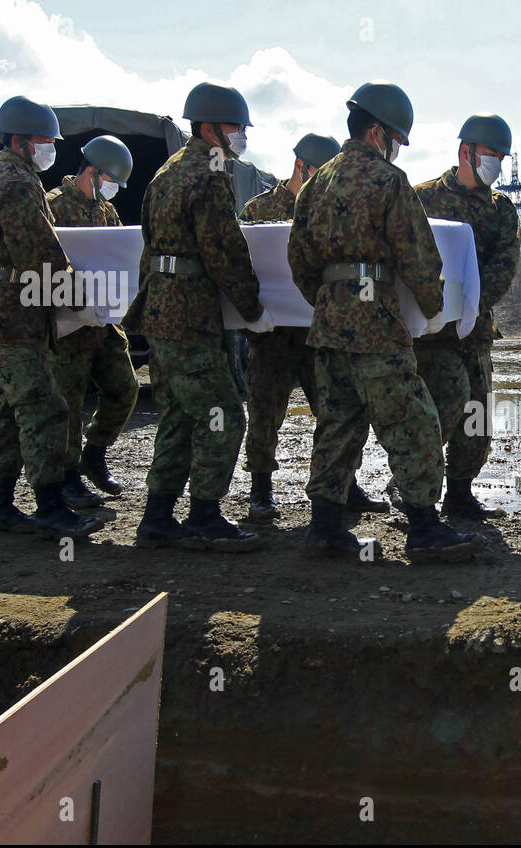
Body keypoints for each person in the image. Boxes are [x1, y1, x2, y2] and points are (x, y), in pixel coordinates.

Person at [288, 80, 487, 562]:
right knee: (414, 419)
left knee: (338, 421)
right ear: (377, 133)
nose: (396, 149)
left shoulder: (318, 182)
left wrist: (329, 301)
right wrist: (435, 305)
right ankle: (423, 529)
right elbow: (417, 254)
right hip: (375, 322)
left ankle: (325, 527)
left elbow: (298, 260)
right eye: (396, 139)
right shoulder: (386, 181)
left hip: (330, 324)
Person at [121, 81, 266, 551]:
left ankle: (158, 517)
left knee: (180, 417)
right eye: (234, 127)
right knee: (223, 412)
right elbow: (224, 250)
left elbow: (148, 249)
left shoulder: (165, 174)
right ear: (209, 129)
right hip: (189, 315)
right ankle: (204, 515)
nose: (240, 135)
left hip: (163, 311)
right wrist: (253, 308)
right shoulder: (209, 174)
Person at [0, 95, 105, 539]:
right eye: (44, 141)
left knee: (11, 406)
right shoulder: (19, 185)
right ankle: (50, 508)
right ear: (21, 141)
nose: (50, 148)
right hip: (11, 311)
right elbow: (41, 256)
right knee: (44, 405)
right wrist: (84, 300)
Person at [239, 133, 388, 522]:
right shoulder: (259, 210)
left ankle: (344, 485)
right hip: (272, 335)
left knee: (336, 411)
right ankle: (261, 490)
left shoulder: (332, 207)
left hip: (318, 331)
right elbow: (244, 266)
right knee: (265, 410)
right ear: (301, 166)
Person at [402, 113, 521, 521]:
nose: (497, 165)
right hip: (430, 332)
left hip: (474, 331)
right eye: (491, 155)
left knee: (479, 415)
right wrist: (436, 310)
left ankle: (460, 493)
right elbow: (405, 259)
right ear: (465, 151)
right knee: (441, 407)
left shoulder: (502, 211)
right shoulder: (420, 198)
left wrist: (469, 309)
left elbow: (502, 270)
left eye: (502, 159)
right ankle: (414, 489)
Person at [45, 134, 139, 508]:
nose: (113, 190)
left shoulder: (106, 211)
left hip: (104, 321)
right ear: (94, 173)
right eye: (111, 181)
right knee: (67, 404)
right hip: (69, 325)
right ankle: (67, 478)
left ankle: (94, 454)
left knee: (125, 388)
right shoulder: (51, 207)